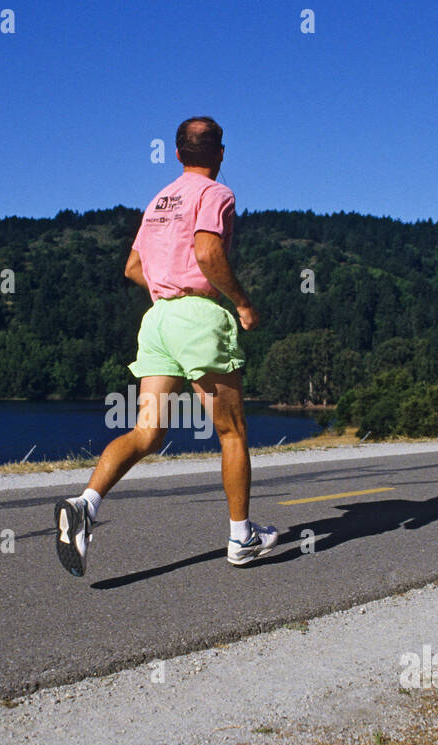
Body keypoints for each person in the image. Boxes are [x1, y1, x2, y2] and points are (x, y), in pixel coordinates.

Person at [54, 116, 278, 577]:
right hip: (197, 317)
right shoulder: (216, 193)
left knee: (147, 433)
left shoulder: (158, 201)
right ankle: (241, 537)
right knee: (232, 431)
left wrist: (166, 288)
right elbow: (207, 252)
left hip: (156, 321)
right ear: (219, 153)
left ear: (177, 154)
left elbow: (133, 267)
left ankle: (86, 504)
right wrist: (241, 302)